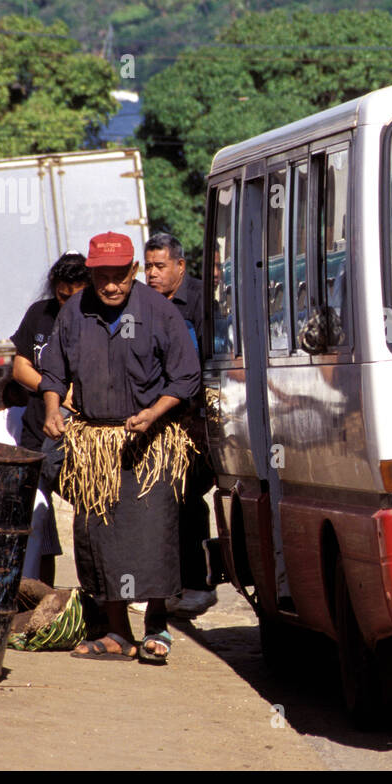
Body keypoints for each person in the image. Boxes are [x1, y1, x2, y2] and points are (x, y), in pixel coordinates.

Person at [40, 231, 200, 663]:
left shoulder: (159, 311)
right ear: (92, 274)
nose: (111, 286)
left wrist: (153, 413)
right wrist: (54, 410)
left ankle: (157, 628)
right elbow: (52, 372)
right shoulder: (74, 312)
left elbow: (185, 378)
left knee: (154, 534)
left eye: (120, 277)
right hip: (95, 445)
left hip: (150, 442)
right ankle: (116, 632)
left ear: (133, 271)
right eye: (102, 278)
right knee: (100, 536)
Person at [143, 233, 216, 619]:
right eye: (148, 267)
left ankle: (199, 584)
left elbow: (212, 361)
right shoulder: (144, 304)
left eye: (160, 267)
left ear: (180, 266)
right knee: (164, 501)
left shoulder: (203, 301)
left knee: (189, 498)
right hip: (159, 421)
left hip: (198, 419)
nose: (152, 275)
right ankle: (170, 584)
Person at [9, 253, 90, 584]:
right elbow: (19, 368)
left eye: (76, 295)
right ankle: (35, 595)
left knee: (88, 517)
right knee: (35, 522)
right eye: (62, 296)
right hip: (36, 432)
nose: (68, 302)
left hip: (80, 438)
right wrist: (54, 390)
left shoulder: (94, 317)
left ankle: (99, 594)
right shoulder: (38, 314)